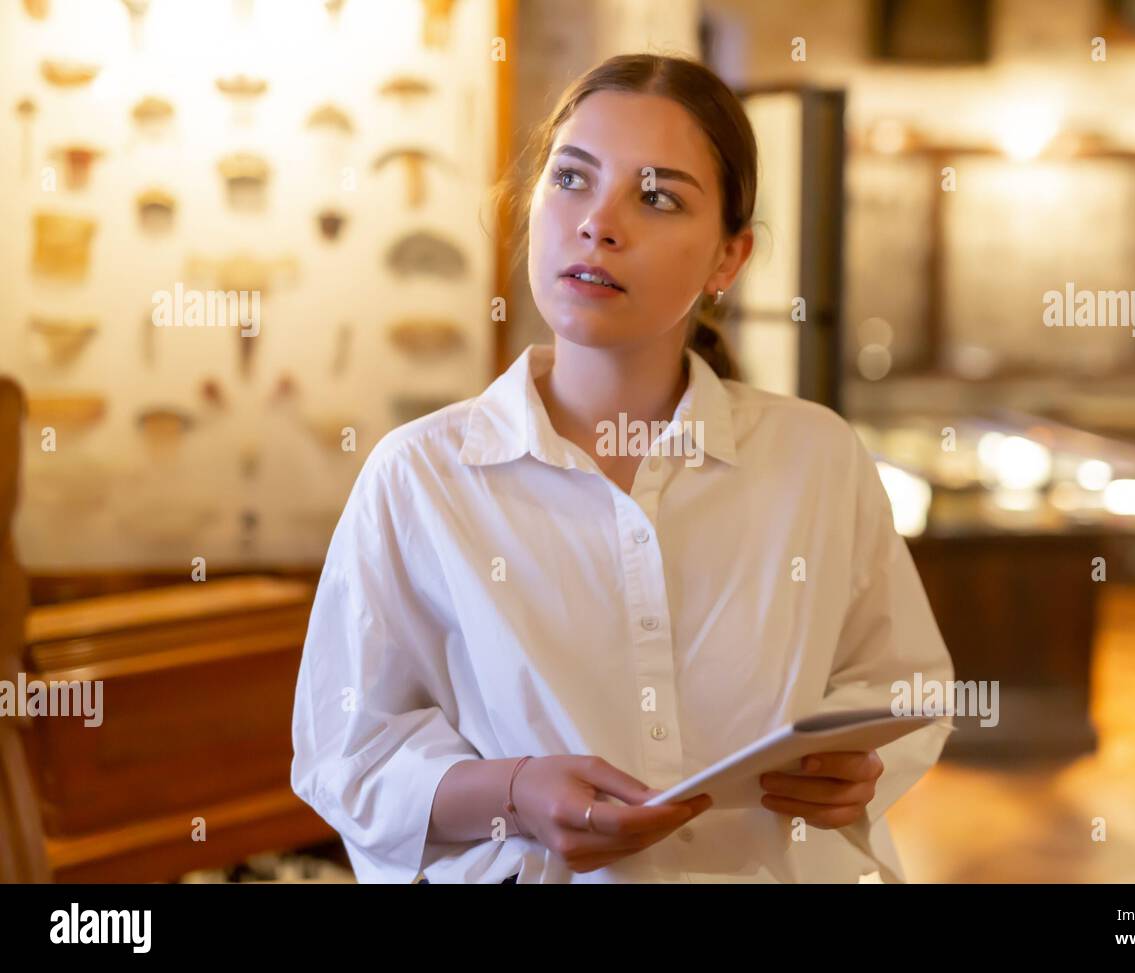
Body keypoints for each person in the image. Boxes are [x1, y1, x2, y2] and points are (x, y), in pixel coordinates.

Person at [290, 52, 953, 884]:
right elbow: (347, 754)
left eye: (657, 196)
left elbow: (904, 684)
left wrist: (858, 771)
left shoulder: (816, 458)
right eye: (571, 178)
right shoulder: (420, 477)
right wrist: (515, 792)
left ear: (727, 261)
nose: (599, 223)